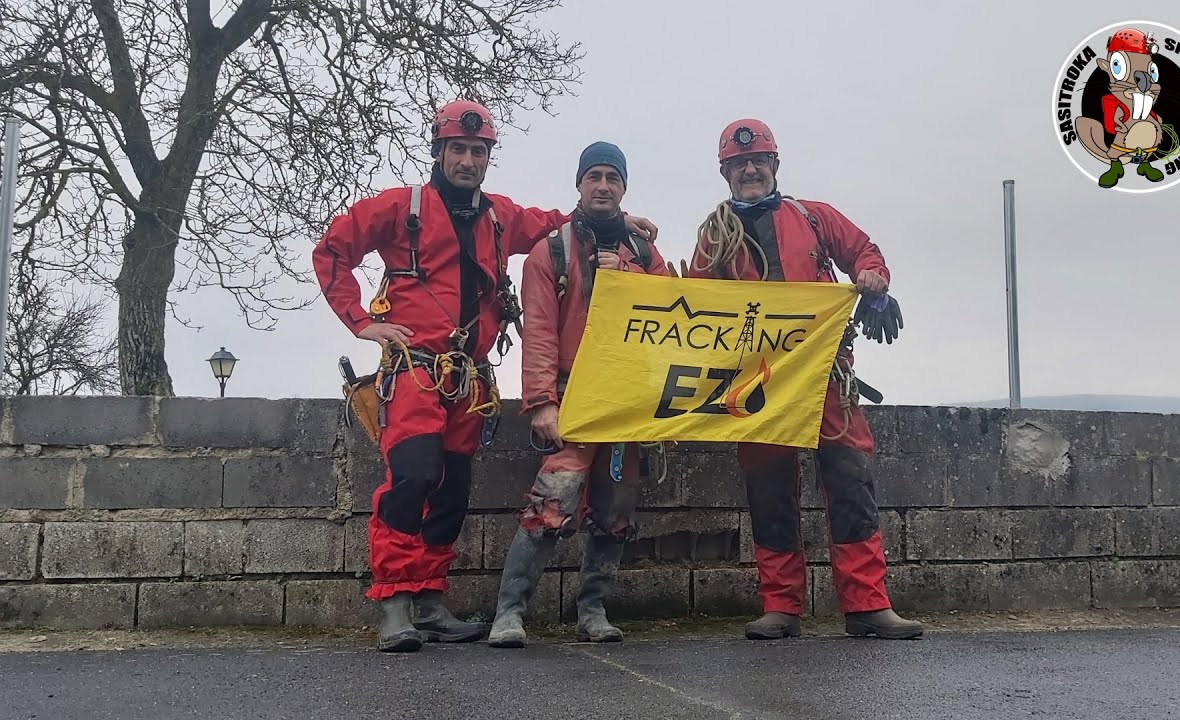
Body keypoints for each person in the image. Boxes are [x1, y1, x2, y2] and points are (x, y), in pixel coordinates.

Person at [312, 102, 659, 653]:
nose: (469, 160)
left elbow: (558, 225)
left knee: (451, 489)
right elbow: (332, 249)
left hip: (468, 383)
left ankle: (428, 599)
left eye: (478, 151)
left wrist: (622, 221)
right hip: (415, 372)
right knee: (412, 477)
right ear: (439, 151)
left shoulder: (499, 216)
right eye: (459, 149)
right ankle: (395, 603)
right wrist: (362, 322)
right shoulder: (400, 208)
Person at [681, 118, 922, 641]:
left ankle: (867, 605)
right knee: (769, 490)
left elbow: (864, 251)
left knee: (850, 478)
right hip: (755, 386)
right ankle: (780, 606)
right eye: (738, 163)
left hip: (827, 377)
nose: (749, 169)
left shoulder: (814, 217)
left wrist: (873, 280)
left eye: (758, 160)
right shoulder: (712, 237)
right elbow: (695, 309)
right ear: (725, 172)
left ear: (774, 165)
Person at [487, 141, 670, 649]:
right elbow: (540, 331)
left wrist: (624, 277)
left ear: (624, 187)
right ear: (579, 184)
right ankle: (509, 613)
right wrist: (542, 401)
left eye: (613, 177)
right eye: (595, 176)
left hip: (626, 405)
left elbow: (671, 319)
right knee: (550, 506)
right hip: (571, 398)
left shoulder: (646, 256)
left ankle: (593, 610)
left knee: (616, 514)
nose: (603, 186)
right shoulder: (551, 250)